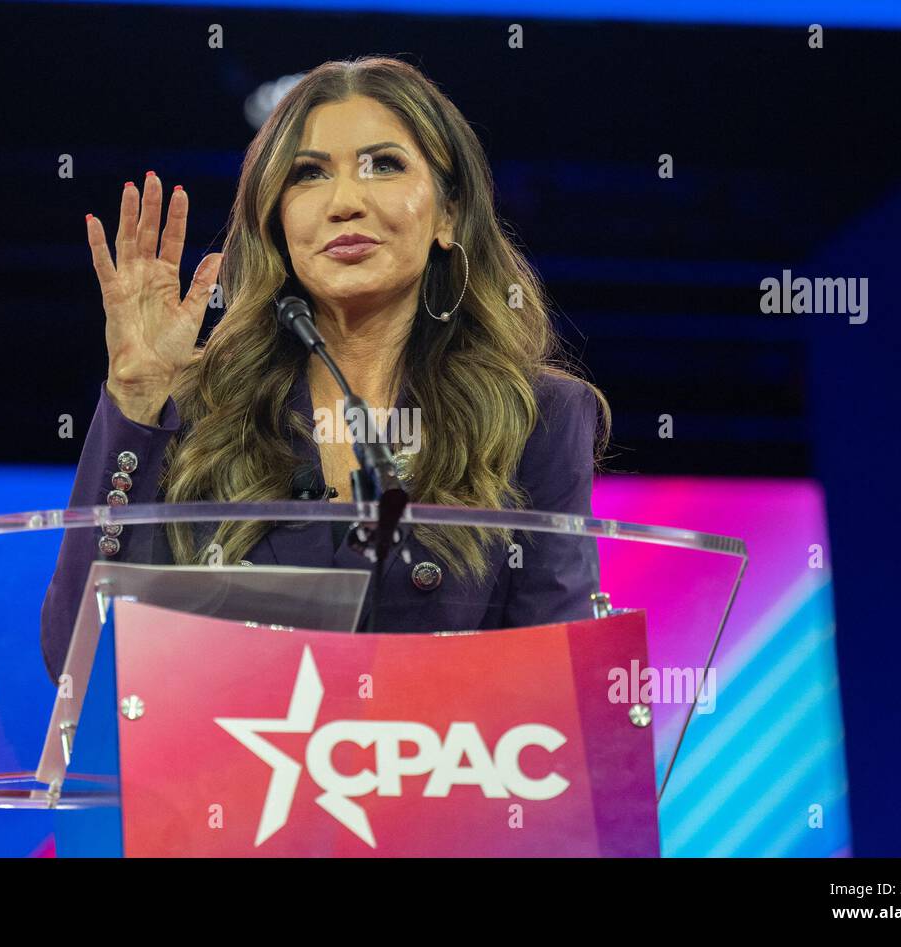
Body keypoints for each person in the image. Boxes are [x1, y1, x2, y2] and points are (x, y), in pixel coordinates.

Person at [40, 56, 610, 684]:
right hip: (236, 776)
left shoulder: (534, 416)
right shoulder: (204, 411)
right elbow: (81, 661)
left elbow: (563, 684)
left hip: (438, 773)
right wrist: (137, 401)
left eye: (384, 165)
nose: (344, 202)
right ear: (278, 221)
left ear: (449, 213)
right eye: (308, 175)